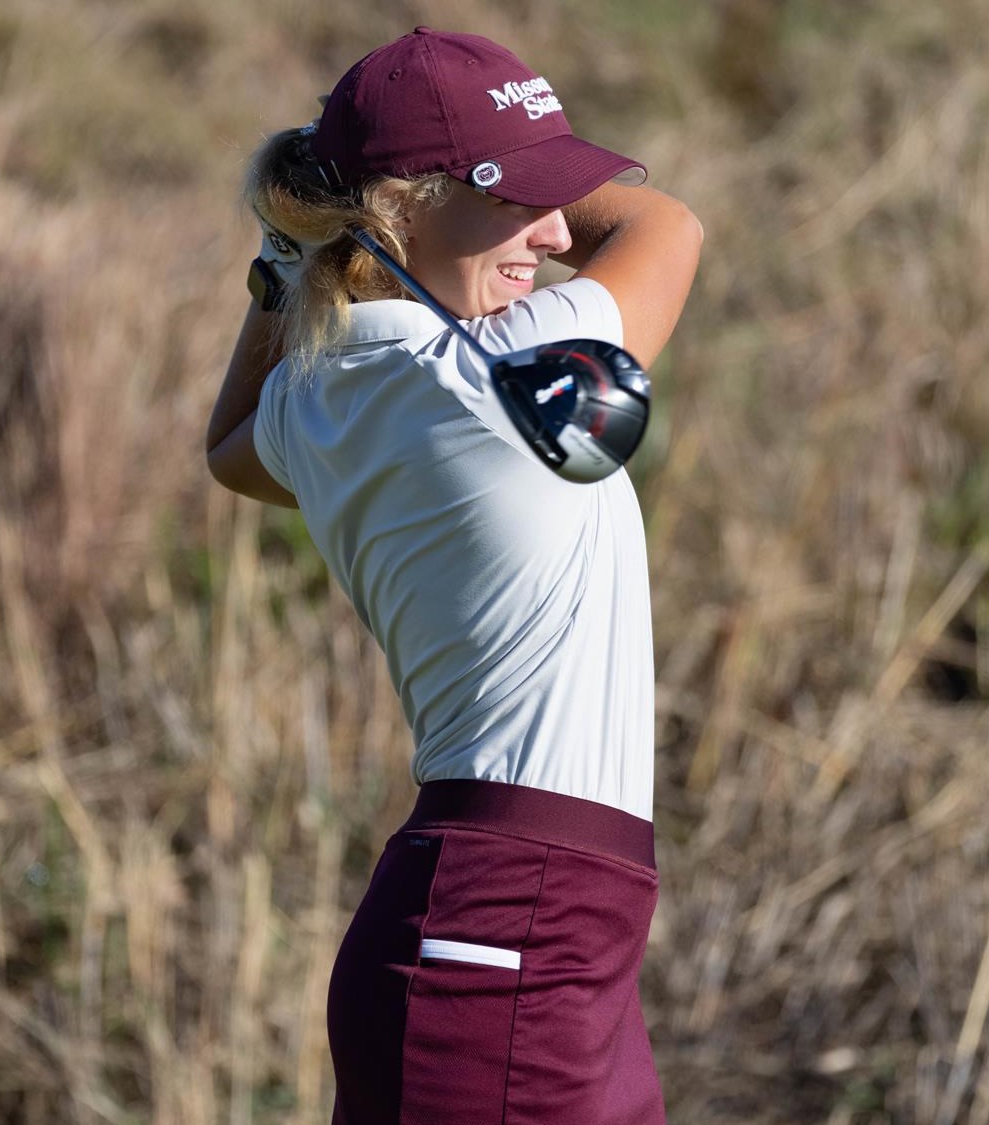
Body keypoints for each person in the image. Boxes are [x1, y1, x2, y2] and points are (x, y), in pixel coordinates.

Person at [204, 26, 702, 1125]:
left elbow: (228, 443)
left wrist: (298, 251)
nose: (561, 232)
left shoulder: (313, 401)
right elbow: (667, 224)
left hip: (519, 921)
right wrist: (332, 222)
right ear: (401, 208)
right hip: (507, 924)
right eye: (521, 198)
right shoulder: (504, 370)